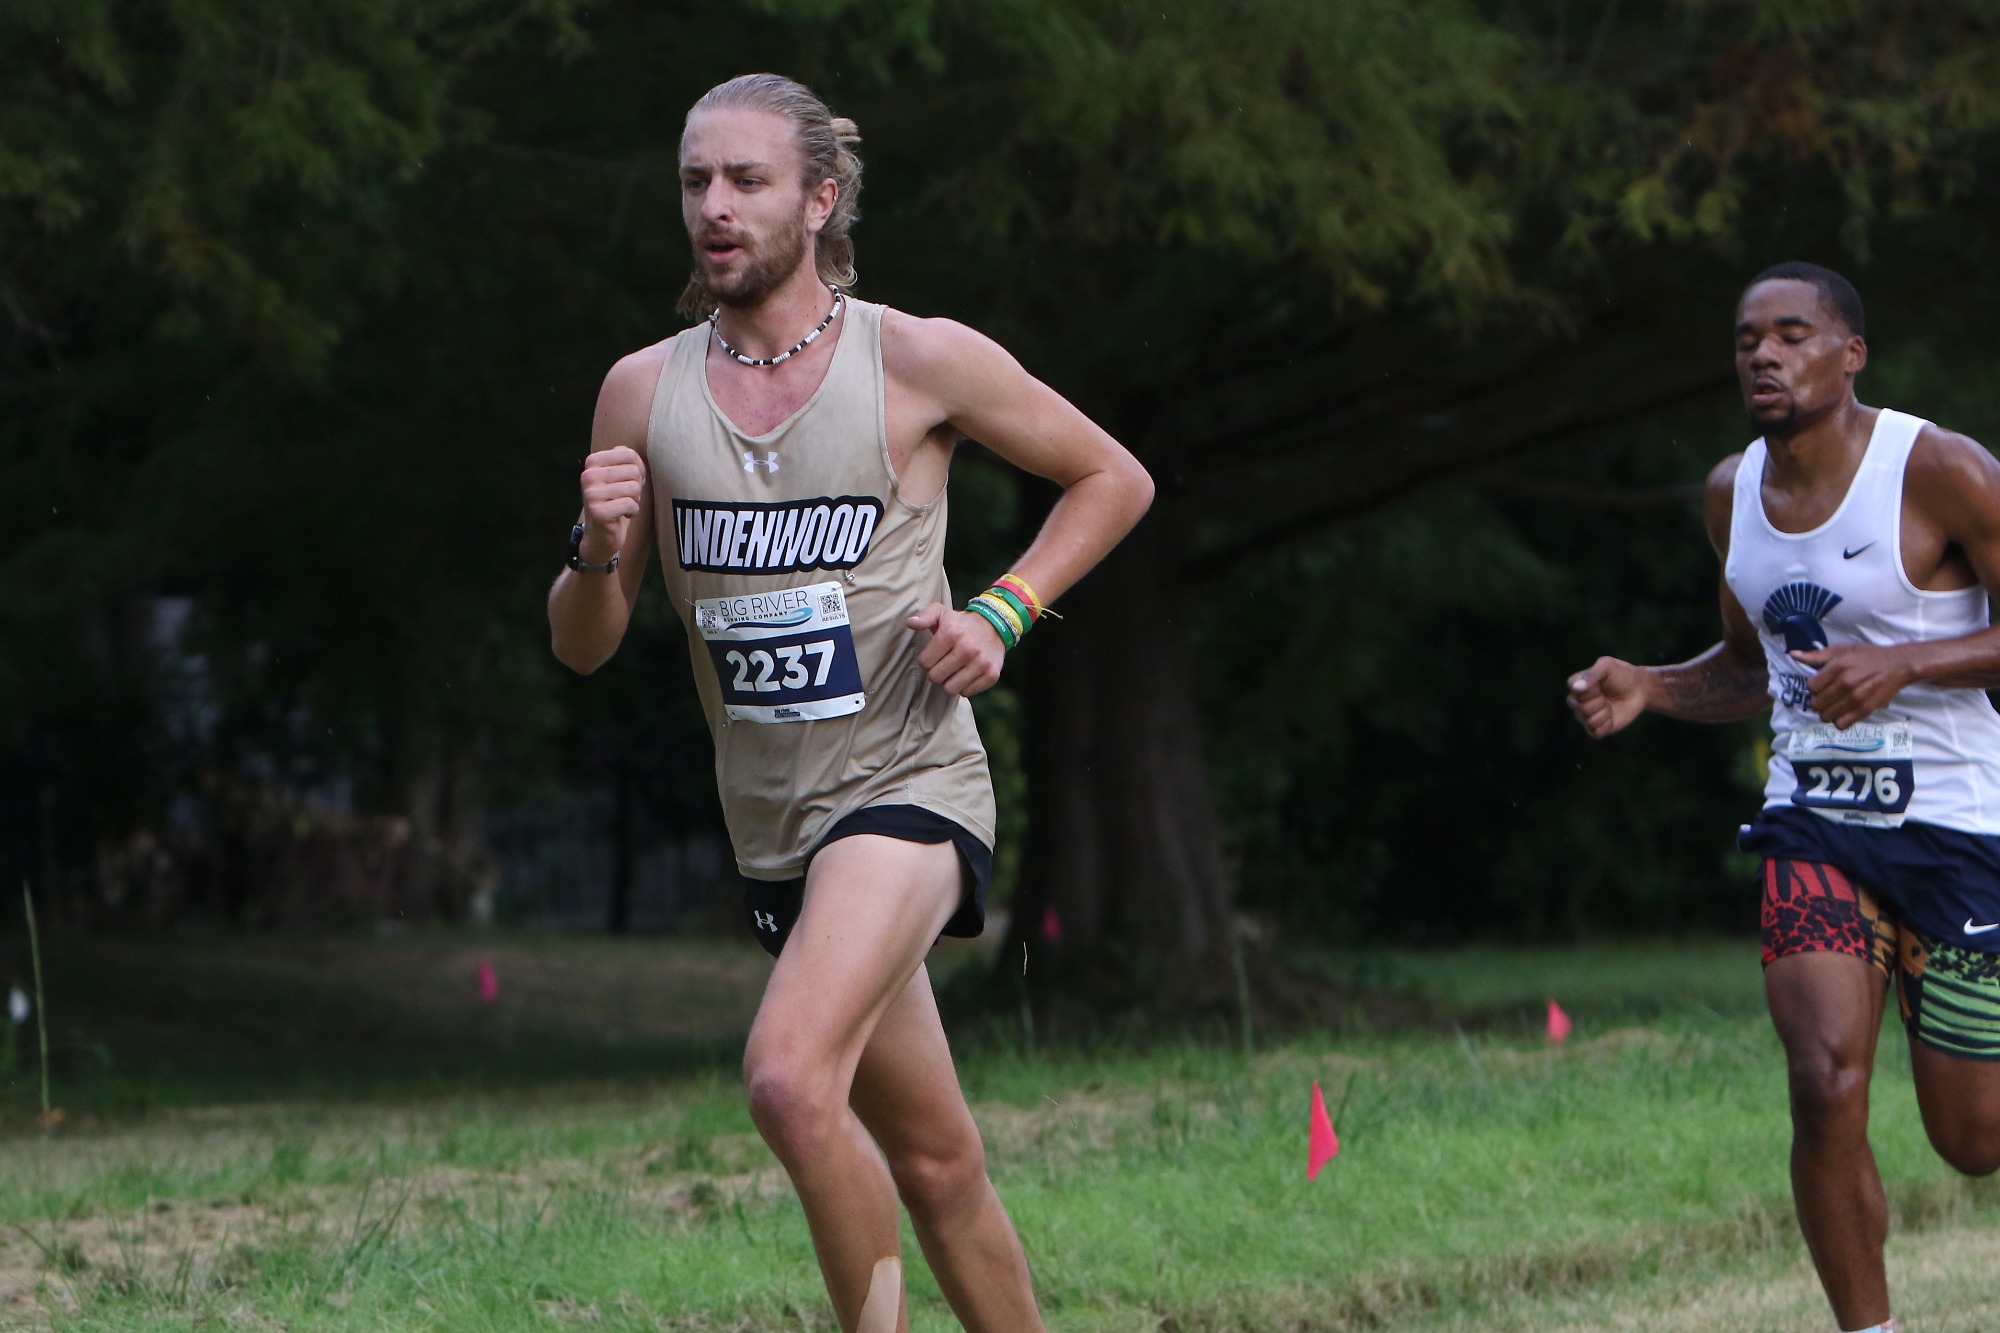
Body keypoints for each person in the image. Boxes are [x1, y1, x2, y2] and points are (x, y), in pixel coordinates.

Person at [547, 73, 1151, 1333]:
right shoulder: (639, 394)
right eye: (694, 182)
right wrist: (598, 549)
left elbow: (1112, 476)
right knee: (936, 1164)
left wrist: (1000, 611)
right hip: (774, 831)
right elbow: (586, 646)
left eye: (746, 182)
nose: (713, 208)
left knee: (782, 1077)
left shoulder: (915, 358)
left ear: (819, 200)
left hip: (908, 790)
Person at [1567, 262, 2000, 1333]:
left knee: (1972, 1141)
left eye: (1790, 333)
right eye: (1744, 339)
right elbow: (1751, 665)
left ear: (1847, 353)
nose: (1761, 353)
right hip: (1814, 825)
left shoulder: (1939, 469)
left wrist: (1906, 665)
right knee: (1820, 1077)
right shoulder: (1730, 495)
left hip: (1958, 828)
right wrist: (1650, 688)